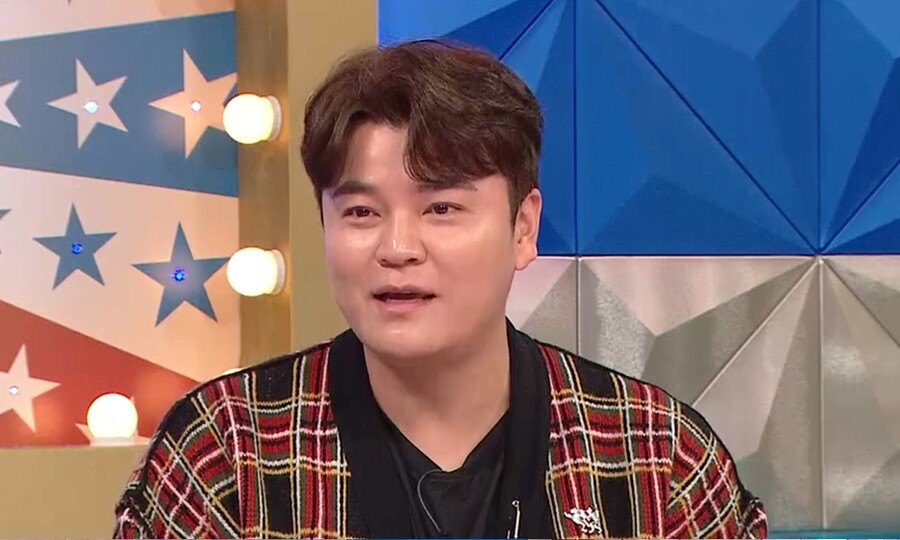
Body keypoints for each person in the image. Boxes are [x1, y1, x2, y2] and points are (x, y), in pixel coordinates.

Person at [112, 39, 767, 539]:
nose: (398, 248)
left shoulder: (656, 454)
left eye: (442, 208)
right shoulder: (226, 449)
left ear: (523, 227)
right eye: (361, 212)